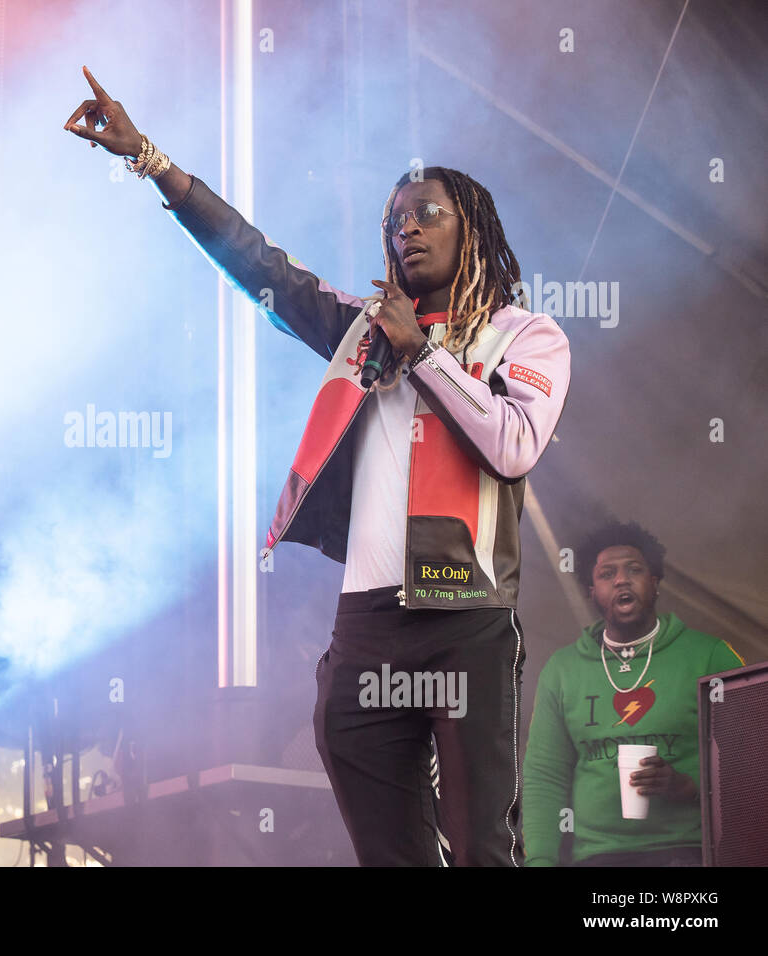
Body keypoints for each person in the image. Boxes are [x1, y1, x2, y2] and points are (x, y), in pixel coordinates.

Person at [65, 66, 570, 865]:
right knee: (390, 853)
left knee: (479, 850)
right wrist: (150, 159)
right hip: (367, 625)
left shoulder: (525, 336)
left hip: (465, 621)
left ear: (470, 225)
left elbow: (512, 442)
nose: (407, 227)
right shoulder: (356, 331)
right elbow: (263, 267)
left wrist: (424, 355)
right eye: (395, 218)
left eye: (428, 213)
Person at [522, 521, 745, 866]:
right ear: (591, 591)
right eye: (607, 574)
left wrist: (688, 787)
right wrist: (540, 860)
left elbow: (748, 763)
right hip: (596, 856)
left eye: (635, 569)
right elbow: (545, 775)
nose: (622, 580)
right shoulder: (562, 670)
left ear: (655, 583)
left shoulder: (710, 656)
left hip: (691, 851)